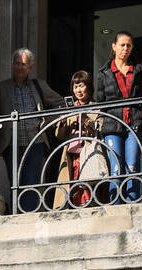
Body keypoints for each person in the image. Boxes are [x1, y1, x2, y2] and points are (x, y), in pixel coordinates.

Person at [0, 48, 64, 214]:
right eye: (17, 63)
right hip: (11, 144)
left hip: (35, 142)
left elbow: (59, 102)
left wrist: (46, 122)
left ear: (30, 67)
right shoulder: (1, 88)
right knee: (15, 183)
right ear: (13, 65)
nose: (19, 67)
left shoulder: (38, 86)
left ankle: (28, 216)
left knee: (31, 182)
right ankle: (16, 216)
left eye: (23, 64)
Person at [96, 31, 142, 203]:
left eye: (129, 45)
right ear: (114, 46)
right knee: (116, 170)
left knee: (132, 168)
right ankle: (115, 209)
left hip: (135, 123)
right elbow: (100, 101)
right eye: (122, 45)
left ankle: (134, 206)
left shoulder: (140, 69)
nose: (125, 49)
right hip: (113, 125)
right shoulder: (104, 73)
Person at [52, 71, 107, 208]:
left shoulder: (96, 107)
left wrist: (86, 120)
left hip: (89, 152)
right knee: (72, 181)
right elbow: (60, 135)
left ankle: (89, 204)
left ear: (88, 87)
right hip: (72, 154)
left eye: (81, 86)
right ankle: (70, 205)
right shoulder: (70, 108)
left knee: (88, 181)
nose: (78, 90)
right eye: (75, 87)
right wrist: (63, 121)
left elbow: (100, 128)